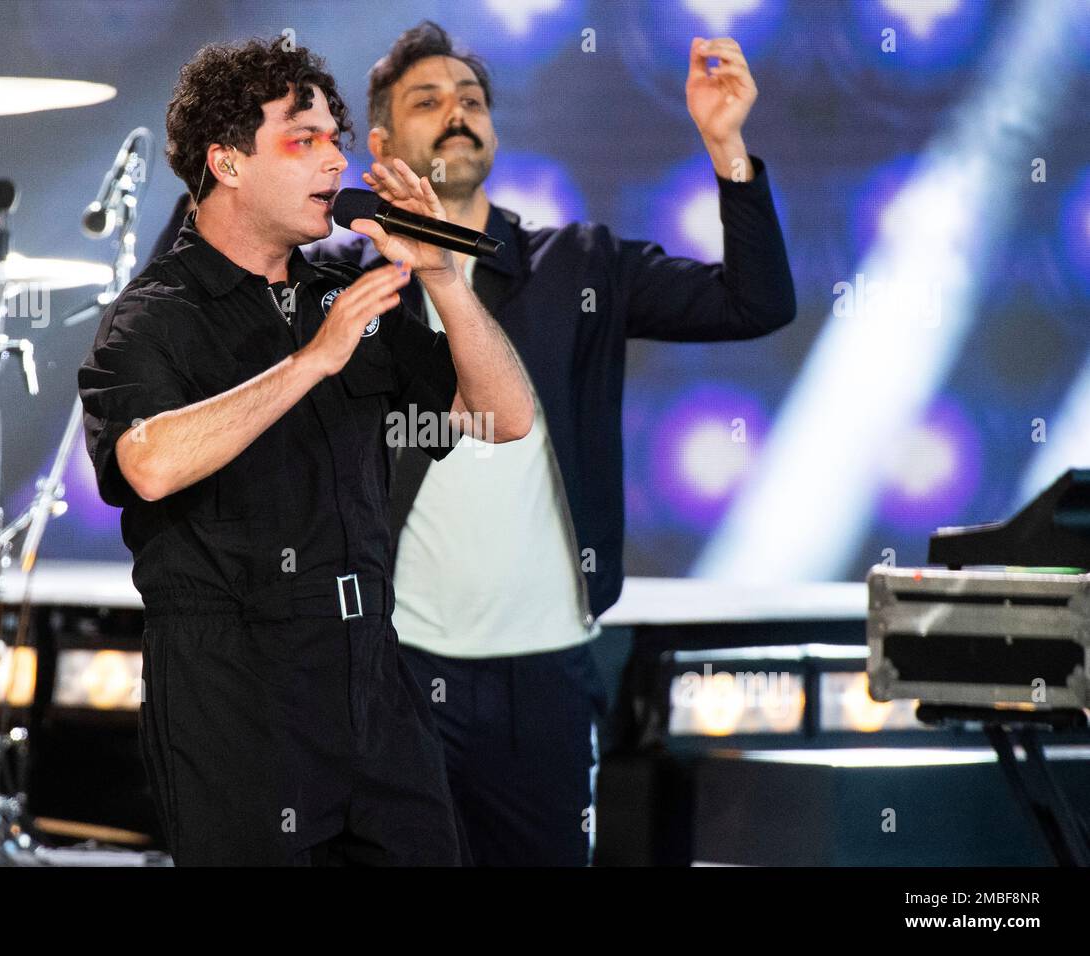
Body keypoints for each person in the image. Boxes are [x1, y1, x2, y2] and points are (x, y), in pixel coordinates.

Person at [148, 21, 796, 866]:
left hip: (547, 669)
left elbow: (757, 305)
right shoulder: (334, 280)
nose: (457, 113)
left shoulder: (581, 265)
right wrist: (228, 163)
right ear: (377, 143)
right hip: (386, 667)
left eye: (473, 101)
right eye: (429, 101)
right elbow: (190, 321)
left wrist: (726, 145)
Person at [79, 37, 533, 866]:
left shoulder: (344, 290)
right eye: (303, 140)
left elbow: (504, 418)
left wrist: (442, 280)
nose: (336, 160)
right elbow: (147, 462)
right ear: (227, 163)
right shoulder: (155, 316)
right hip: (236, 683)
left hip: (371, 669)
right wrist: (314, 359)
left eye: (336, 138)